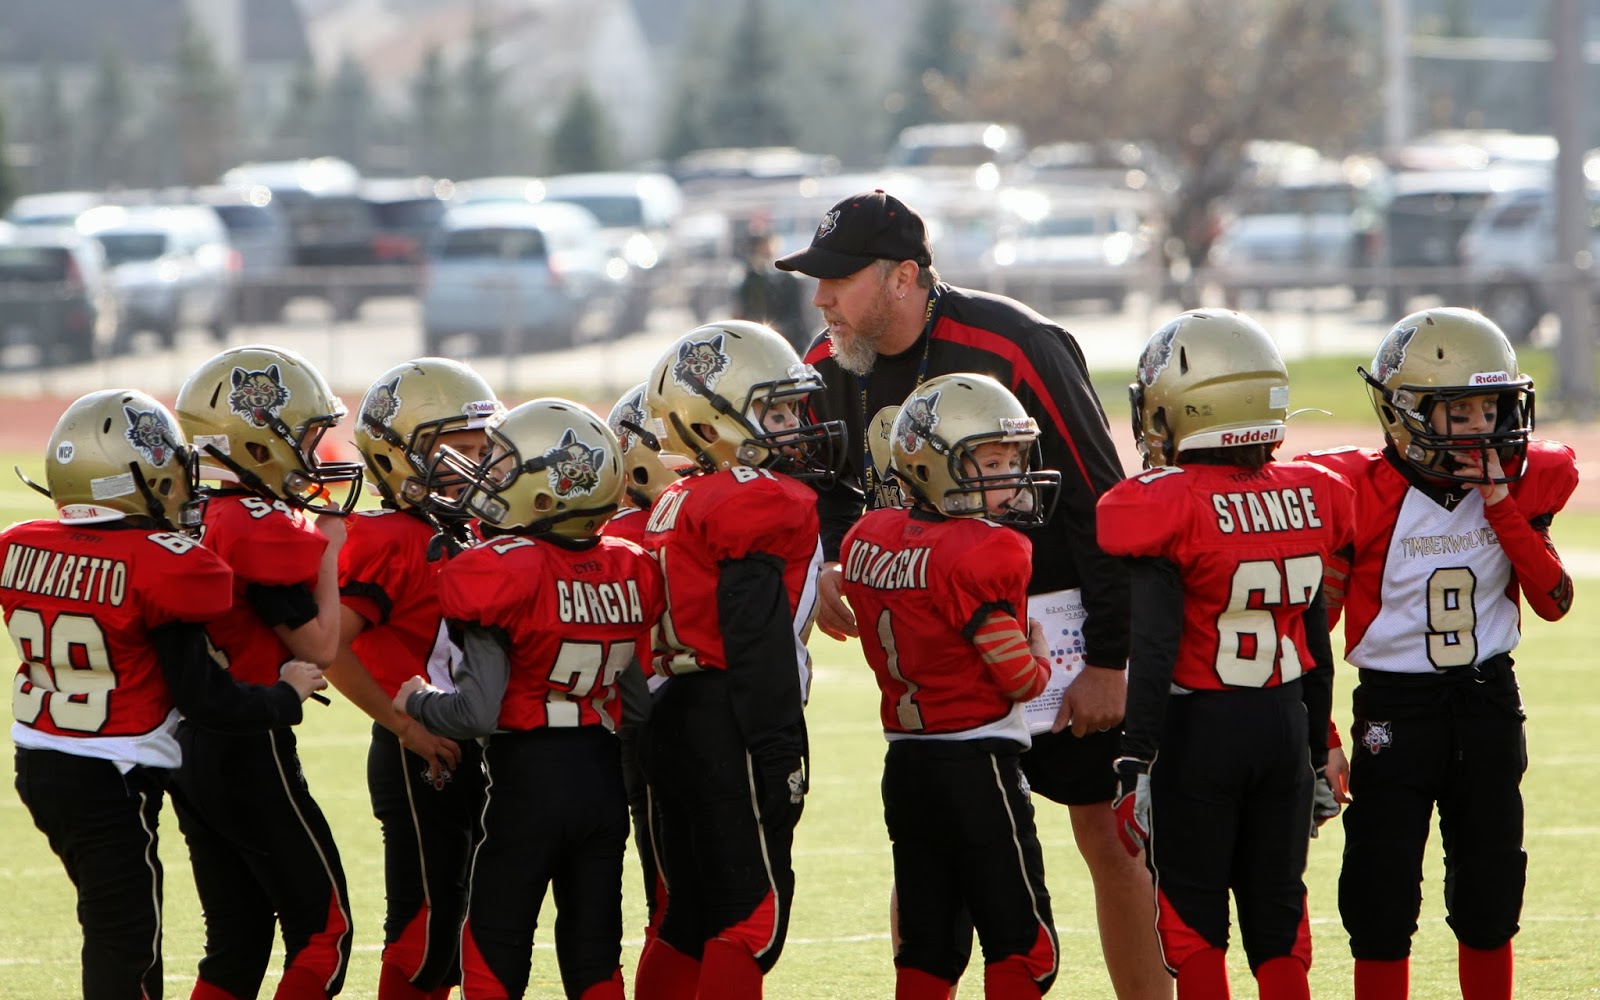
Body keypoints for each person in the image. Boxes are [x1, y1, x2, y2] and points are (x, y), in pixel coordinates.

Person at [776, 189, 1168, 998]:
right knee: (935, 839)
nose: (822, 300)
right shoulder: (827, 364)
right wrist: (830, 559)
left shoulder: (1015, 343)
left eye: (839, 280)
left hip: (1051, 625)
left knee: (1107, 830)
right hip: (935, 645)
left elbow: (1102, 498)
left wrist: (1108, 658)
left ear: (903, 278)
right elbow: (818, 485)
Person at [5, 389, 327, 1000]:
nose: (184, 485)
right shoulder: (165, 563)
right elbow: (206, 699)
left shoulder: (20, 542)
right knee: (126, 939)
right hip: (112, 772)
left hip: (40, 761)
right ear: (140, 476)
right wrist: (285, 697)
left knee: (118, 928)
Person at [1296, 308, 1577, 1000]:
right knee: (1379, 893)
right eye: (1461, 410)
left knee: (1490, 890)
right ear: (1407, 411)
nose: (1484, 425)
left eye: (1493, 405)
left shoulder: (1522, 479)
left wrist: (1502, 506)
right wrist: (1322, 736)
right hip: (1394, 708)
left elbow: (1554, 599)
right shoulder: (1355, 492)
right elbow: (1309, 633)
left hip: (1488, 701)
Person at [1097, 311, 1356, 1000]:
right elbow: (1315, 637)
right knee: (1279, 921)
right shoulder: (1315, 494)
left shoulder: (1165, 503)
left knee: (1194, 923)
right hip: (1281, 721)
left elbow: (1152, 650)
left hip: (1198, 730)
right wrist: (1317, 739)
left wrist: (1134, 759)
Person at [393, 397, 664, 1000]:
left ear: (544, 495)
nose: (487, 475)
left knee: (495, 943)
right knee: (594, 954)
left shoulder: (500, 569)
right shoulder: (630, 564)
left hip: (529, 782)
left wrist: (415, 702)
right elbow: (638, 706)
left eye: (500, 464)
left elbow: (475, 713)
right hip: (601, 780)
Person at [632, 320, 845, 999]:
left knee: (688, 916)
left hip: (676, 713)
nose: (794, 425)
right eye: (774, 411)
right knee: (753, 919)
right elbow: (753, 633)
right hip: (735, 712)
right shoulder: (753, 499)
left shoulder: (678, 498)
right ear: (711, 420)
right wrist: (778, 740)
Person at [841, 372, 1063, 999]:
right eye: (990, 462)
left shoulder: (867, 537)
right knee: (1025, 947)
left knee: (929, 948)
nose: (1011, 478)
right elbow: (1019, 679)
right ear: (933, 462)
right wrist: (1042, 659)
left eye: (1015, 460)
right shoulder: (982, 551)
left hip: (907, 764)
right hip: (977, 764)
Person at [171, 344, 366, 1000]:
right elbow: (318, 647)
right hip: (250, 742)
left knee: (237, 939)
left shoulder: (198, 512)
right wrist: (331, 554)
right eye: (306, 438)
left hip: (192, 737)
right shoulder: (257, 526)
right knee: (324, 933)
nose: (314, 455)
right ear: (257, 446)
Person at [330, 357, 504, 999]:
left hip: (468, 737)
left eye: (483, 448)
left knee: (459, 919)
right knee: (426, 928)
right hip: (423, 743)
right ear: (400, 455)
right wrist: (402, 724)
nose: (477, 466)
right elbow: (332, 647)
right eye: (458, 451)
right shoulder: (393, 537)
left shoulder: (462, 527)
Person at [604, 381, 689, 947]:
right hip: (670, 714)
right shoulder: (673, 527)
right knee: (686, 896)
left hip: (617, 721)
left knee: (667, 890)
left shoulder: (607, 534)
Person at [735, 231, 810, 353]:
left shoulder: (787, 280)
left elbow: (796, 315)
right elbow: (743, 311)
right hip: (755, 340)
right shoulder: (747, 280)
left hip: (786, 341)